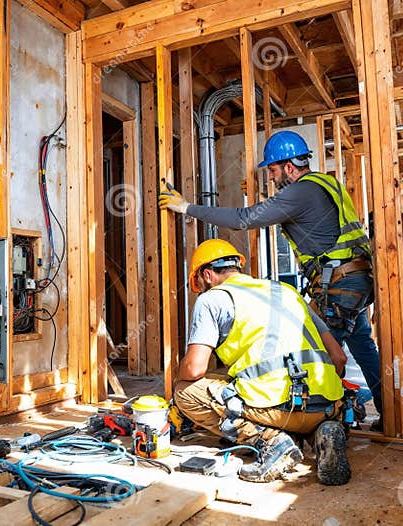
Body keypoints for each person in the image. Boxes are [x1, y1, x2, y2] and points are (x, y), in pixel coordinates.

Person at [159, 130, 382, 429]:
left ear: (289, 166)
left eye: (273, 170)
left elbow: (243, 217)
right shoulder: (324, 184)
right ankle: (387, 413)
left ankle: (324, 420)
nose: (272, 177)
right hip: (355, 279)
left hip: (337, 284)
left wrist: (186, 208)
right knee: (362, 347)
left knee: (321, 354)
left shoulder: (299, 192)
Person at [173, 239, 351, 485]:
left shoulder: (212, 299)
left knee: (185, 391)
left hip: (276, 409)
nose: (201, 291)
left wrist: (176, 376)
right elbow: (339, 358)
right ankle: (322, 434)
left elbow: (195, 368)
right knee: (243, 381)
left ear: (207, 275)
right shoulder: (286, 292)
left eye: (200, 285)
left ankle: (271, 441)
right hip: (326, 407)